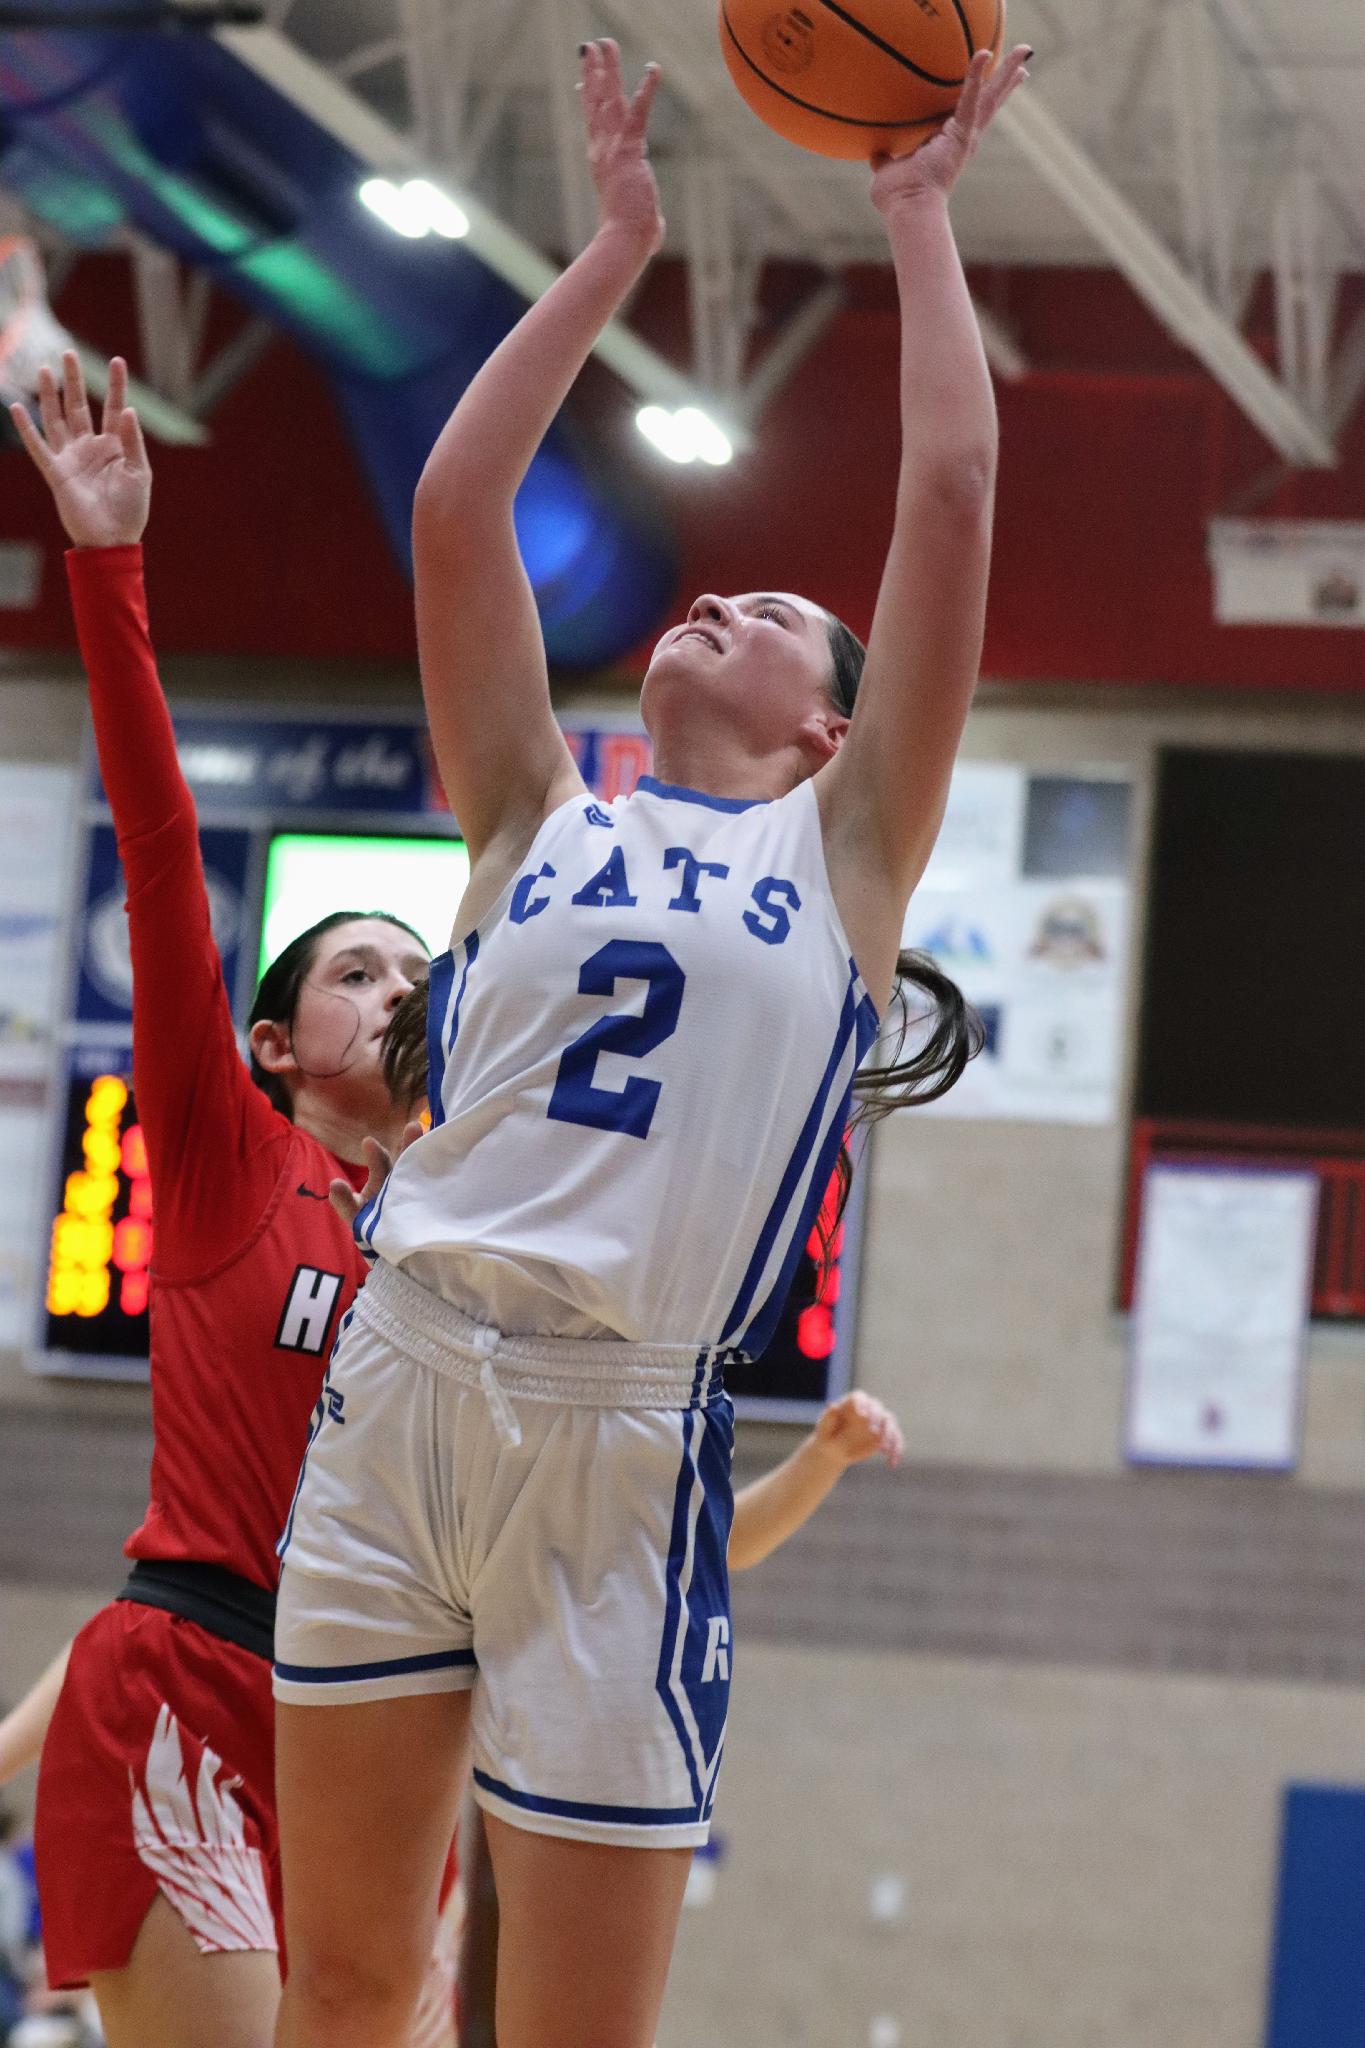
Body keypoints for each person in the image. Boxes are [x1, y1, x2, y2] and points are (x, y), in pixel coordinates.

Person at [269, 34, 1027, 2048]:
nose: (716, 603)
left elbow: (949, 486)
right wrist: (608, 250)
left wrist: (915, 221)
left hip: (623, 1442)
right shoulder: (533, 805)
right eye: (714, 590)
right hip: (404, 1383)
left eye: (772, 610)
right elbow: (456, 500)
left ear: (829, 727)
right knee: (345, 1987)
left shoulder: (850, 850)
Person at [8, 359, 446, 2048]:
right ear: (274, 1042)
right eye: (356, 967)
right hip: (189, 1674)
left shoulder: (457, 1230)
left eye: (417, 967)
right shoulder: (222, 1154)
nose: (396, 984)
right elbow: (162, 829)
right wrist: (109, 567)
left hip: (366, 1721)